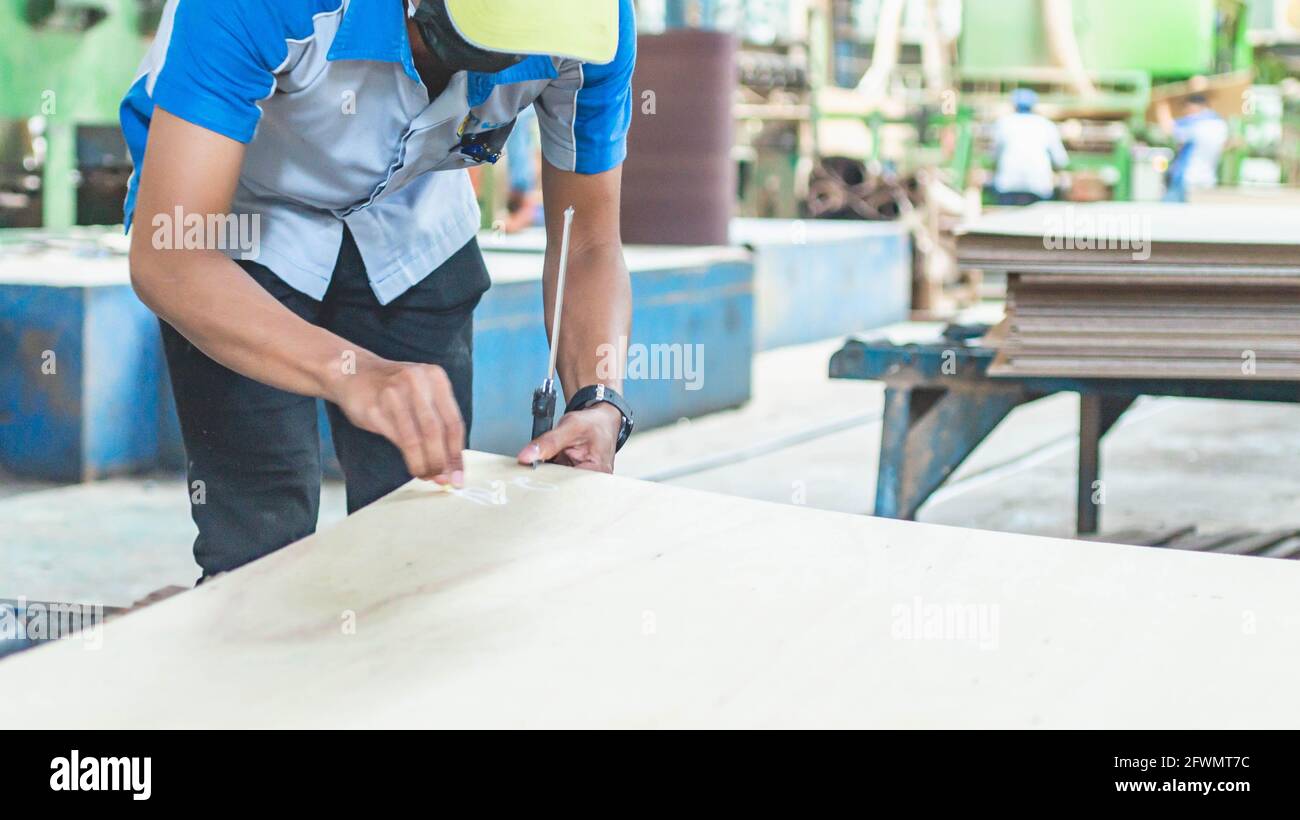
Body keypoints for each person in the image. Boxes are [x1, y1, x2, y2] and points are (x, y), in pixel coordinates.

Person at [122, 0, 638, 580]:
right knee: (260, 548)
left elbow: (589, 243)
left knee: (420, 534)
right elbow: (171, 256)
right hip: (246, 214)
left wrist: (599, 400)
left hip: (412, 210)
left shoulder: (594, 22)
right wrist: (352, 371)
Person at [991, 89, 1069, 206]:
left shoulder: (1003, 123)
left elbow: (994, 155)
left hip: (1008, 185)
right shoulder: (1046, 124)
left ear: (1014, 105)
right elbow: (1060, 160)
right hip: (1039, 186)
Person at [1158, 94, 1228, 203]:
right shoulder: (1221, 124)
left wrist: (1162, 105)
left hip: (1186, 180)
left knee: (1167, 211)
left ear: (1193, 107)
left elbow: (1168, 129)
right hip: (1208, 180)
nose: (1184, 112)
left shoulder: (1195, 124)